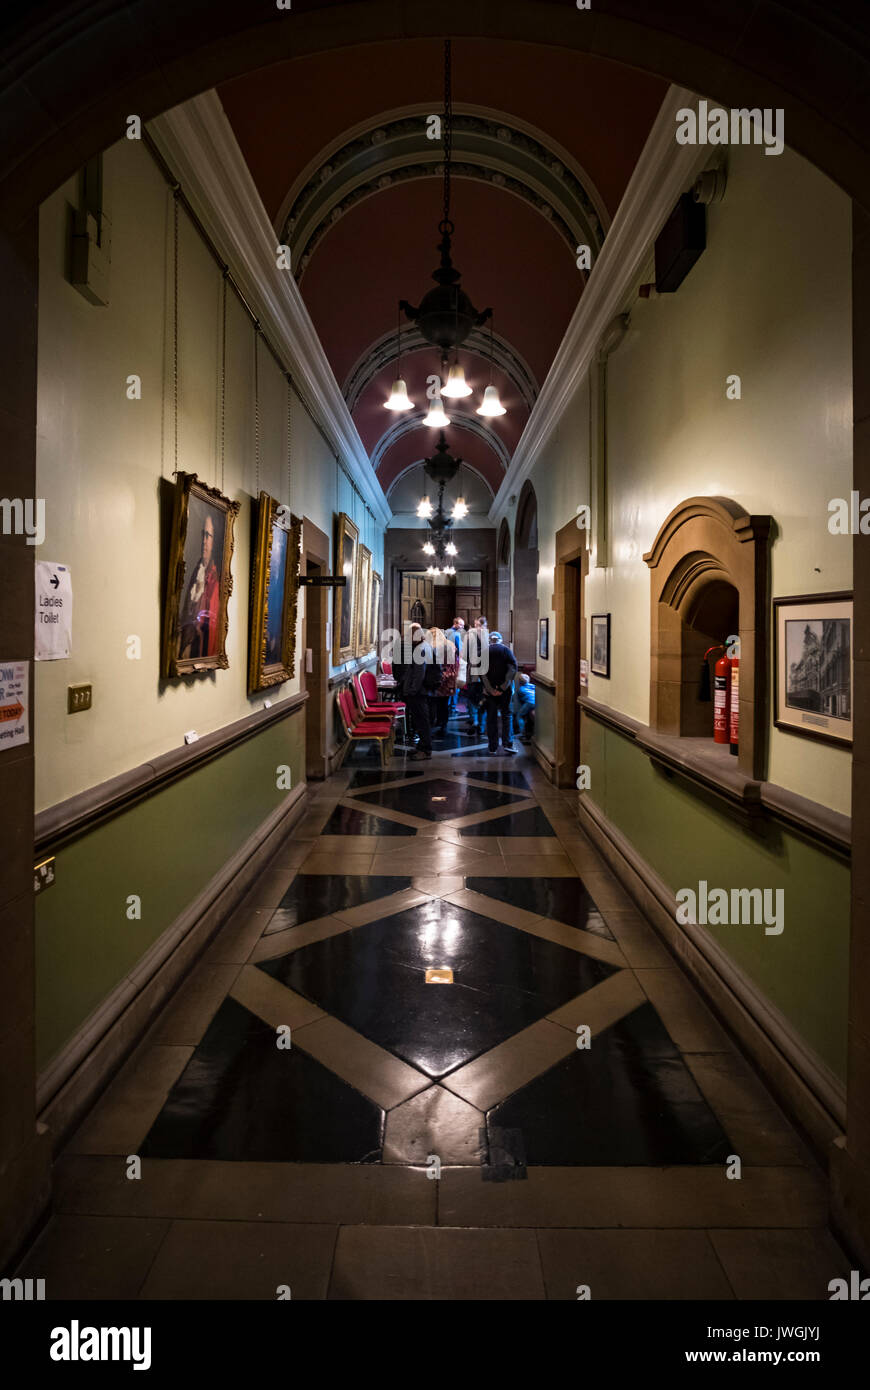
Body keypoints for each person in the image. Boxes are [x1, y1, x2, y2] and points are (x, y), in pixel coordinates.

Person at [179, 511, 220, 659]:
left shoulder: (215, 580)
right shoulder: (196, 570)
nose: (204, 541)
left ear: (214, 542)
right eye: (203, 534)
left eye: (208, 536)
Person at [401, 623, 433, 759]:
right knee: (420, 720)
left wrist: (412, 690)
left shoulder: (420, 649)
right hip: (420, 690)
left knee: (422, 720)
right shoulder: (423, 646)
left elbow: (419, 673)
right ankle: (422, 746)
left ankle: (425, 750)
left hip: (418, 692)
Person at [483, 630, 517, 754]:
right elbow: (512, 670)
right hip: (505, 691)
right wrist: (503, 687)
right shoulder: (506, 651)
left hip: (489, 691)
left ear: (489, 640)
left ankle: (493, 746)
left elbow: (482, 673)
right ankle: (508, 743)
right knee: (506, 715)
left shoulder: (484, 651)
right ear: (500, 640)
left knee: (491, 717)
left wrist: (490, 689)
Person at [427, 626, 456, 735]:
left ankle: (437, 723)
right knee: (443, 703)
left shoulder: (434, 646)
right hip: (447, 677)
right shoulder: (449, 645)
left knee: (435, 703)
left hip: (439, 677)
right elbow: (453, 664)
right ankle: (443, 724)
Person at [464, 616, 489, 736]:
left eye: (476, 624)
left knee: (471, 696)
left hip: (473, 670)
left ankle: (474, 721)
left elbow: (465, 655)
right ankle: (481, 725)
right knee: (482, 698)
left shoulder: (470, 634)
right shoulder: (489, 636)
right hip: (485, 672)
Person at [512, 671, 536, 744]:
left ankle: (522, 733)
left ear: (520, 682)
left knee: (519, 715)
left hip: (529, 703)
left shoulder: (520, 689)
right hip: (536, 701)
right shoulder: (532, 685)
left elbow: (521, 701)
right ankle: (527, 731)